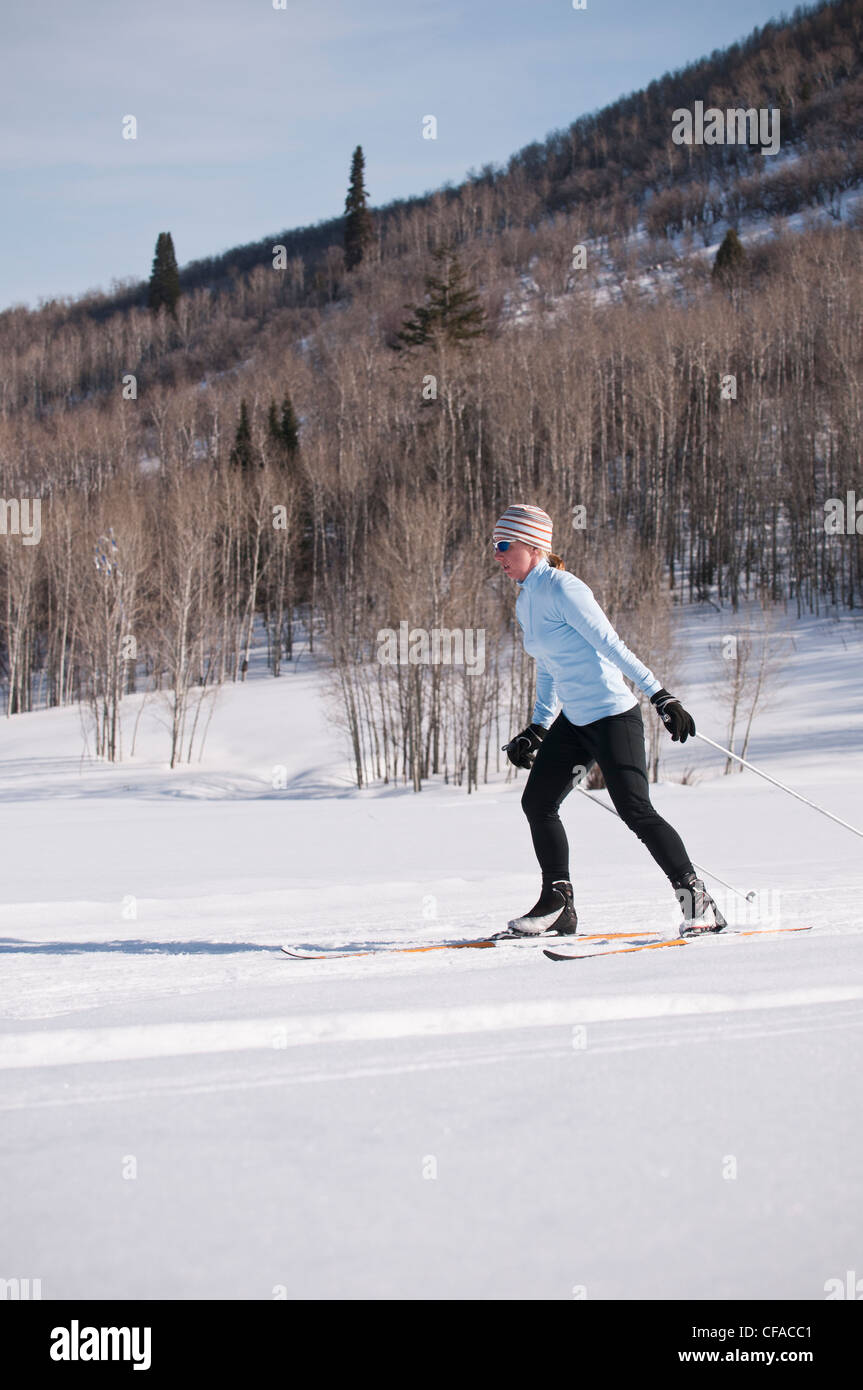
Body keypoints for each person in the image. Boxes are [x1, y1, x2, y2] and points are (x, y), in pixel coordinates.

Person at [494, 503, 725, 937]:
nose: (497, 554)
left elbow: (611, 646)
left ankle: (699, 904)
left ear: (533, 545)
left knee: (636, 811)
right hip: (575, 720)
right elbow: (547, 664)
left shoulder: (564, 589)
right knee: (538, 803)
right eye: (494, 546)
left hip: (613, 715)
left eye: (504, 544)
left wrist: (660, 695)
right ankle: (558, 903)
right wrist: (539, 725)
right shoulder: (527, 599)